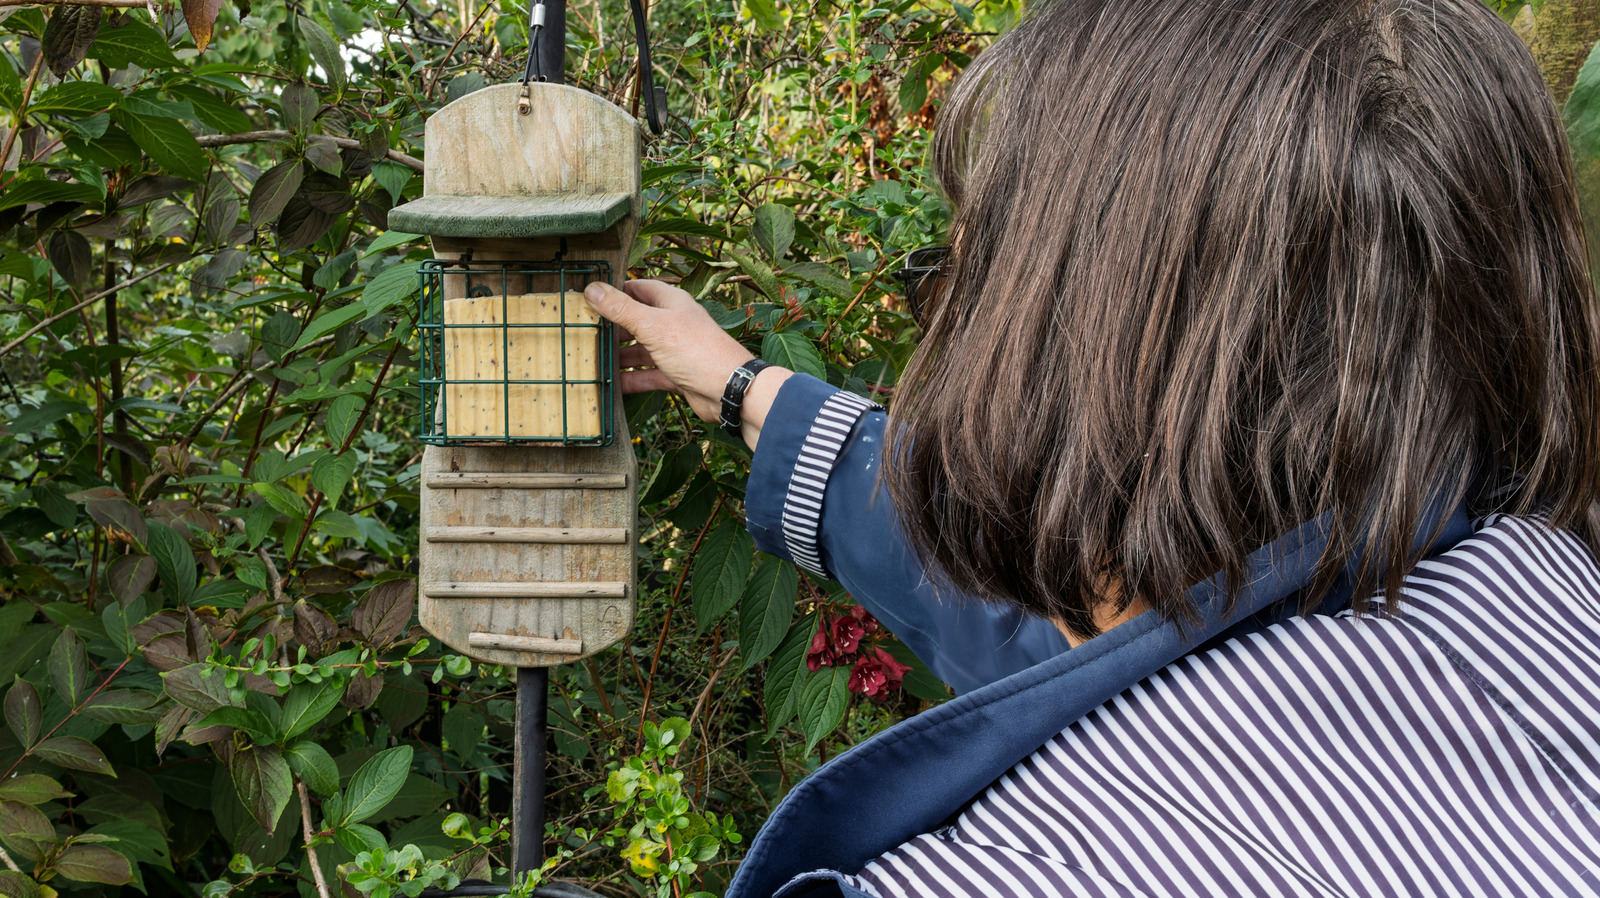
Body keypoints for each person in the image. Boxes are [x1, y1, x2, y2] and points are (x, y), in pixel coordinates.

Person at [583, 0, 1600, 894]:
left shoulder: (1016, 867)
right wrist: (748, 388)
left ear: (1062, 361)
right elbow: (1115, 635)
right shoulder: (1534, 591)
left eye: (962, 281)